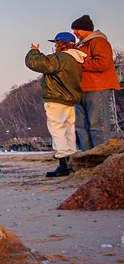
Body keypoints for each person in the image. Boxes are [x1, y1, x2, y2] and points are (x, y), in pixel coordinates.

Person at [25, 33, 86, 177]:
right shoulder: (76, 59)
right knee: (69, 129)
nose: (55, 46)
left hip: (56, 98)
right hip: (69, 99)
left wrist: (34, 51)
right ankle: (71, 160)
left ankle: (63, 163)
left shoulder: (61, 58)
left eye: (57, 43)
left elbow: (36, 63)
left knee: (57, 129)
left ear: (62, 44)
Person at [70, 15, 120, 150]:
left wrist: (79, 63)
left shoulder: (99, 42)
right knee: (81, 126)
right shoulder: (82, 45)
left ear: (86, 29)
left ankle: (101, 156)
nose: (74, 32)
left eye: (76, 29)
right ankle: (87, 156)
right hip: (81, 89)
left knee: (98, 125)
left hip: (97, 87)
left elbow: (103, 63)